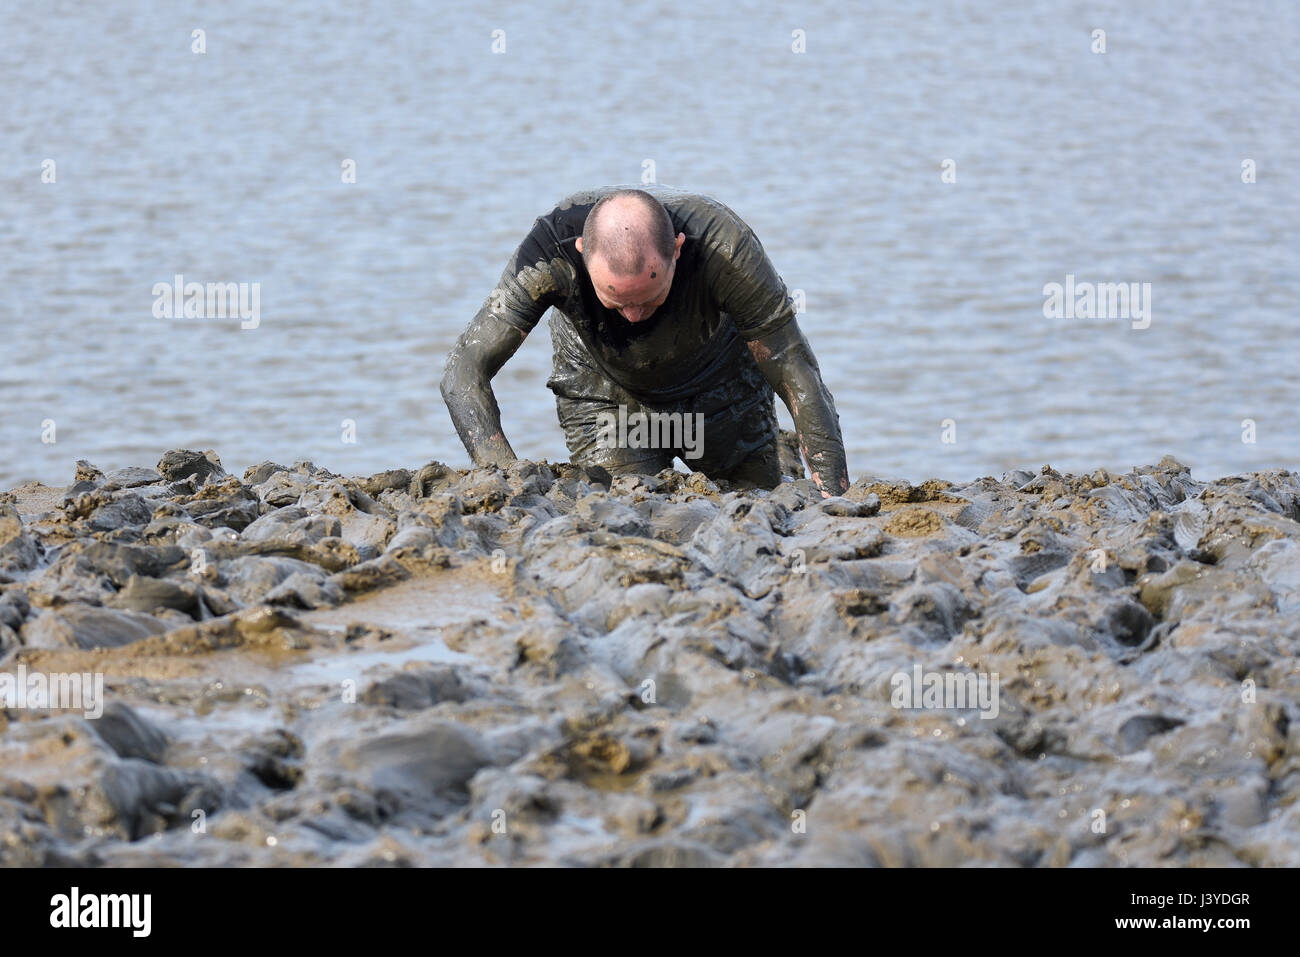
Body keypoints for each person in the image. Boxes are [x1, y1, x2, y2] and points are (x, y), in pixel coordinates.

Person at [440, 185, 849, 496]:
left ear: (677, 249)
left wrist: (835, 498)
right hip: (607, 399)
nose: (633, 315)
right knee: (627, 509)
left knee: (757, 501)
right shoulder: (549, 253)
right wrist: (505, 479)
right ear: (582, 253)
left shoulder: (725, 248)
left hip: (722, 388)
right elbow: (464, 369)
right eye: (616, 301)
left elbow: (794, 368)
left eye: (649, 299)